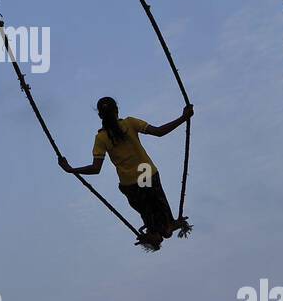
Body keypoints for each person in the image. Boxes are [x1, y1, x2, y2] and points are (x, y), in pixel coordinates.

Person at [59, 97, 193, 250]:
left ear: (100, 116)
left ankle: (156, 232)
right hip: (145, 172)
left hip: (129, 184)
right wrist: (183, 117)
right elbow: (159, 132)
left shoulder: (101, 138)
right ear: (117, 110)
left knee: (148, 213)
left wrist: (72, 169)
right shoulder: (129, 123)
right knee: (161, 215)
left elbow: (95, 169)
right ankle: (165, 227)